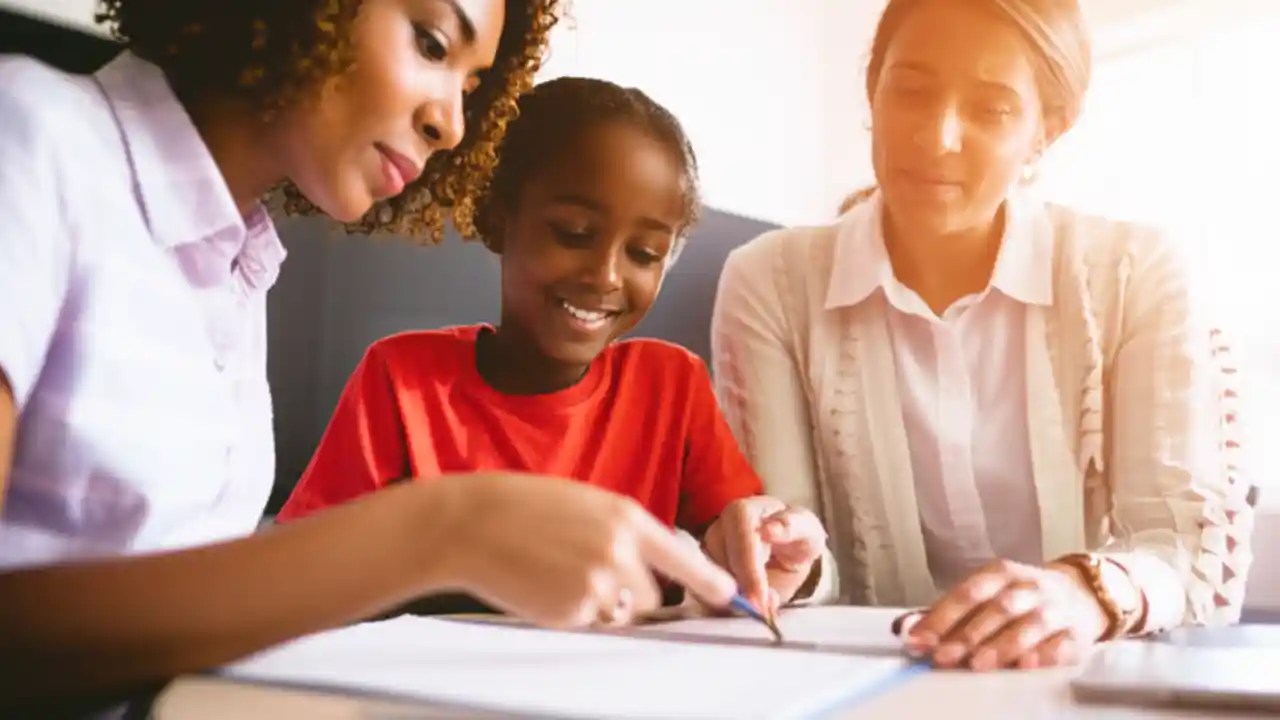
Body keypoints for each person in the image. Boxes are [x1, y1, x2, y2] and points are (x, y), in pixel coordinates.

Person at [0, 1, 744, 713]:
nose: (452, 123)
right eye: (431, 44)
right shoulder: (33, 137)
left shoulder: (238, 262)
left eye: (472, 86)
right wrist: (444, 531)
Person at [711, 0, 1254, 672]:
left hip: (1074, 683)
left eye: (992, 109)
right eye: (910, 90)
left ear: (1047, 130)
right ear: (872, 91)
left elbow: (1185, 552)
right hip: (867, 686)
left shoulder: (1135, 272)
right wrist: (784, 558)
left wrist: (1081, 593)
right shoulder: (769, 280)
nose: (937, 137)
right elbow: (806, 558)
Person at [278, 77, 832, 618]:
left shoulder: (671, 386)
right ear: (497, 221)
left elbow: (738, 546)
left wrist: (781, 557)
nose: (606, 275)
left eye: (644, 253)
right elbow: (298, 570)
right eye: (573, 233)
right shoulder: (401, 379)